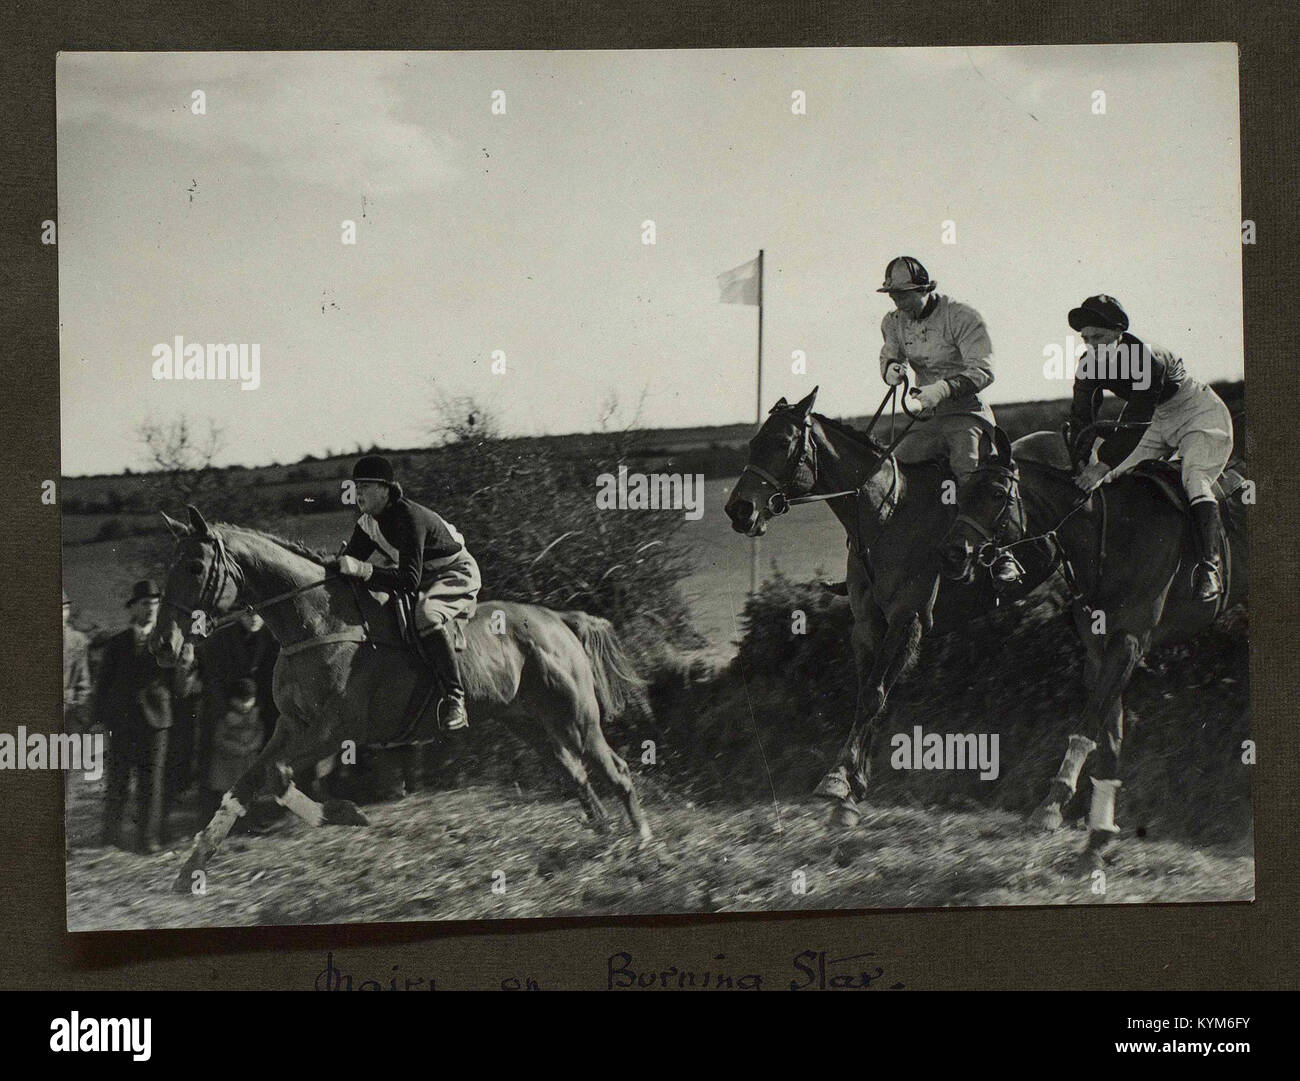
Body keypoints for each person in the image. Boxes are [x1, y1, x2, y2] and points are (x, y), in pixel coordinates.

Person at [1067, 294, 1234, 600]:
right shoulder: (1088, 363)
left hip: (1197, 411)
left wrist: (1101, 464)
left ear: (1119, 334)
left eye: (1100, 337)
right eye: (1086, 339)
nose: (1092, 346)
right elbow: (1082, 415)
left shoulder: (1145, 356)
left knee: (1194, 478)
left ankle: (1211, 568)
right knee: (1113, 477)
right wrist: (1081, 459)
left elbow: (1137, 416)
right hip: (1157, 417)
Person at [875, 255, 1020, 589]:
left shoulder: (962, 317)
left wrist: (941, 389)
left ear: (925, 289)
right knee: (893, 475)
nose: (899, 302)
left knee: (970, 473)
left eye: (904, 295)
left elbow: (983, 370)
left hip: (965, 412)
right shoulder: (894, 321)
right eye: (893, 296)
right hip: (926, 416)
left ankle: (1002, 555)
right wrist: (891, 370)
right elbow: (890, 353)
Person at [329, 455, 480, 730]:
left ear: (385, 489)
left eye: (365, 485)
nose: (357, 492)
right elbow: (348, 564)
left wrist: (363, 570)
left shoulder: (409, 517)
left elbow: (408, 580)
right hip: (423, 577)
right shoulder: (368, 523)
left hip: (455, 572)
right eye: (356, 486)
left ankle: (455, 699)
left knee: (426, 614)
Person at [93, 579, 190, 853]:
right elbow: (103, 683)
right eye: (145, 604)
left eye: (155, 604)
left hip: (156, 722)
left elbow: (179, 689)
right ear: (133, 608)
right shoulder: (117, 642)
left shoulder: (168, 641)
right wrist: (99, 720)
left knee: (151, 783)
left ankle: (147, 839)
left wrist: (185, 668)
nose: (150, 609)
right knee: (118, 781)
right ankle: (110, 837)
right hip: (121, 722)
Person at [200, 677, 264, 830]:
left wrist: (253, 745)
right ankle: (231, 825)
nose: (245, 705)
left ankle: (250, 822)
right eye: (241, 701)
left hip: (248, 760)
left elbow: (260, 732)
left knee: (249, 792)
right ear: (232, 700)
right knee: (230, 794)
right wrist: (238, 748)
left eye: (249, 700)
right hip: (229, 764)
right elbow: (219, 740)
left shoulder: (255, 715)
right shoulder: (227, 719)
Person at [62, 589, 91, 735]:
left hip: (68, 716)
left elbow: (83, 685)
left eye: (64, 609)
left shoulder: (78, 640)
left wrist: (76, 711)